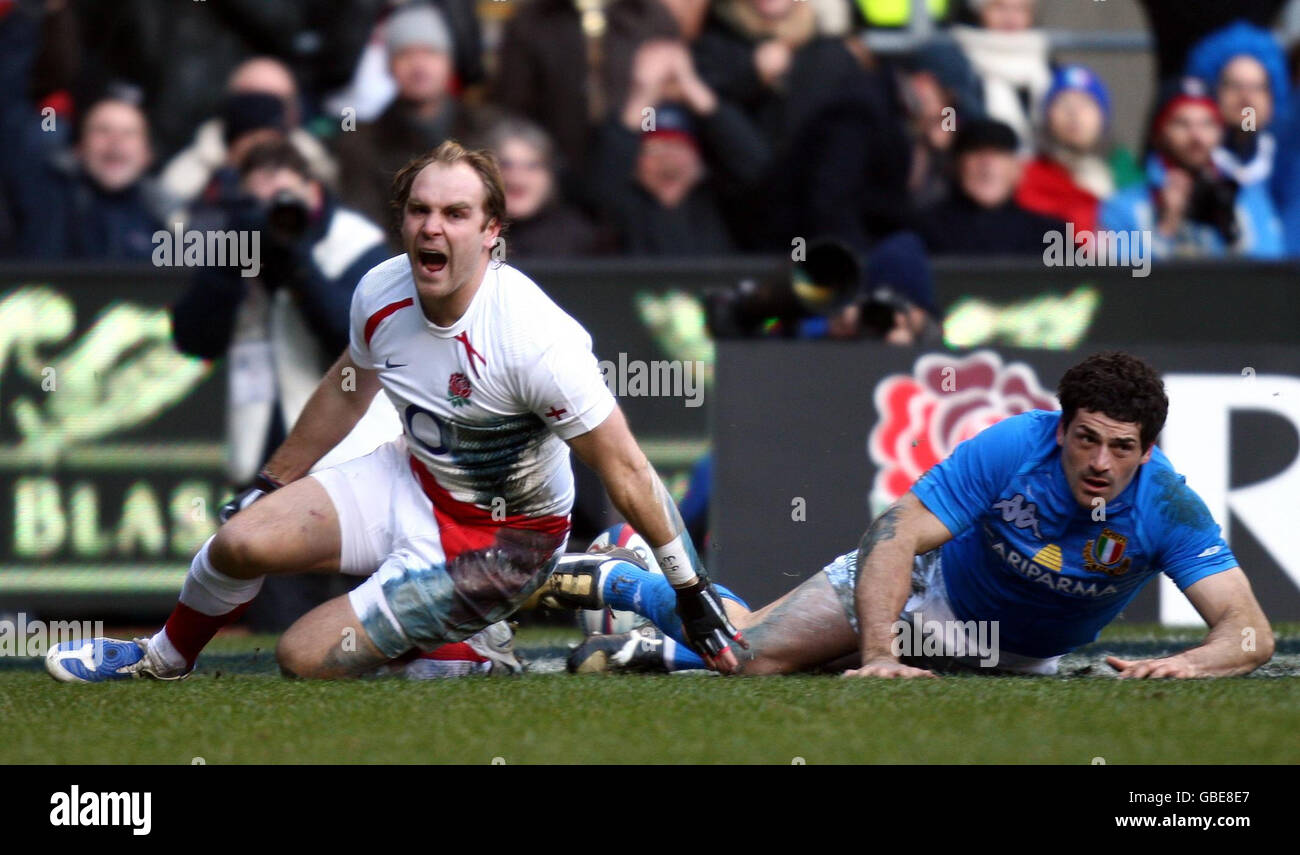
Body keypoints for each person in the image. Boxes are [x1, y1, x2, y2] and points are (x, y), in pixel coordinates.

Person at [46, 140, 742, 683]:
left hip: (503, 543)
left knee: (301, 656)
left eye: (455, 214)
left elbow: (626, 467)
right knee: (238, 543)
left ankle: (482, 646)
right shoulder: (381, 289)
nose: (432, 227)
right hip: (411, 478)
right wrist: (272, 481)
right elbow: (349, 386)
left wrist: (689, 587)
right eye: (419, 210)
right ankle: (162, 658)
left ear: (492, 231)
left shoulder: (535, 337)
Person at [560, 352, 1275, 679]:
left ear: (1147, 452)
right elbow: (895, 532)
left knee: (773, 647)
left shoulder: (1168, 504)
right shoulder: (1011, 447)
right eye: (1086, 438)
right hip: (928, 593)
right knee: (750, 658)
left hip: (1021, 657)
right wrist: (881, 656)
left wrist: (1186, 665)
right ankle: (624, 580)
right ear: (1061, 429)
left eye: (1121, 448)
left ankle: (655, 649)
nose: (1100, 462)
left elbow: (1249, 631)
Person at [1100, 77, 1284, 260]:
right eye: (1181, 124)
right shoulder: (1125, 205)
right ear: (1159, 133)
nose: (1197, 137)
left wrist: (1232, 229)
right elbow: (1122, 272)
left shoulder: (1244, 196)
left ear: (1220, 133)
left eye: (1207, 124)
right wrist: (1165, 228)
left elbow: (1268, 266)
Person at [14, 91, 169, 260]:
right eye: (103, 130)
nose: (116, 141)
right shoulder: (46, 198)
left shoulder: (165, 217)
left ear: (148, 154)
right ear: (78, 148)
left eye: (129, 133)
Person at [1015, 65, 1142, 236]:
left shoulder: (1129, 175)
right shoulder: (1028, 179)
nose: (1074, 114)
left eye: (1085, 104)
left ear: (1103, 116)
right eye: (1063, 104)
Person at [916, 118, 1064, 256]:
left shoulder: (1050, 236)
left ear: (1017, 169)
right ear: (956, 165)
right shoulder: (923, 232)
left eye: (998, 153)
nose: (987, 164)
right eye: (976, 153)